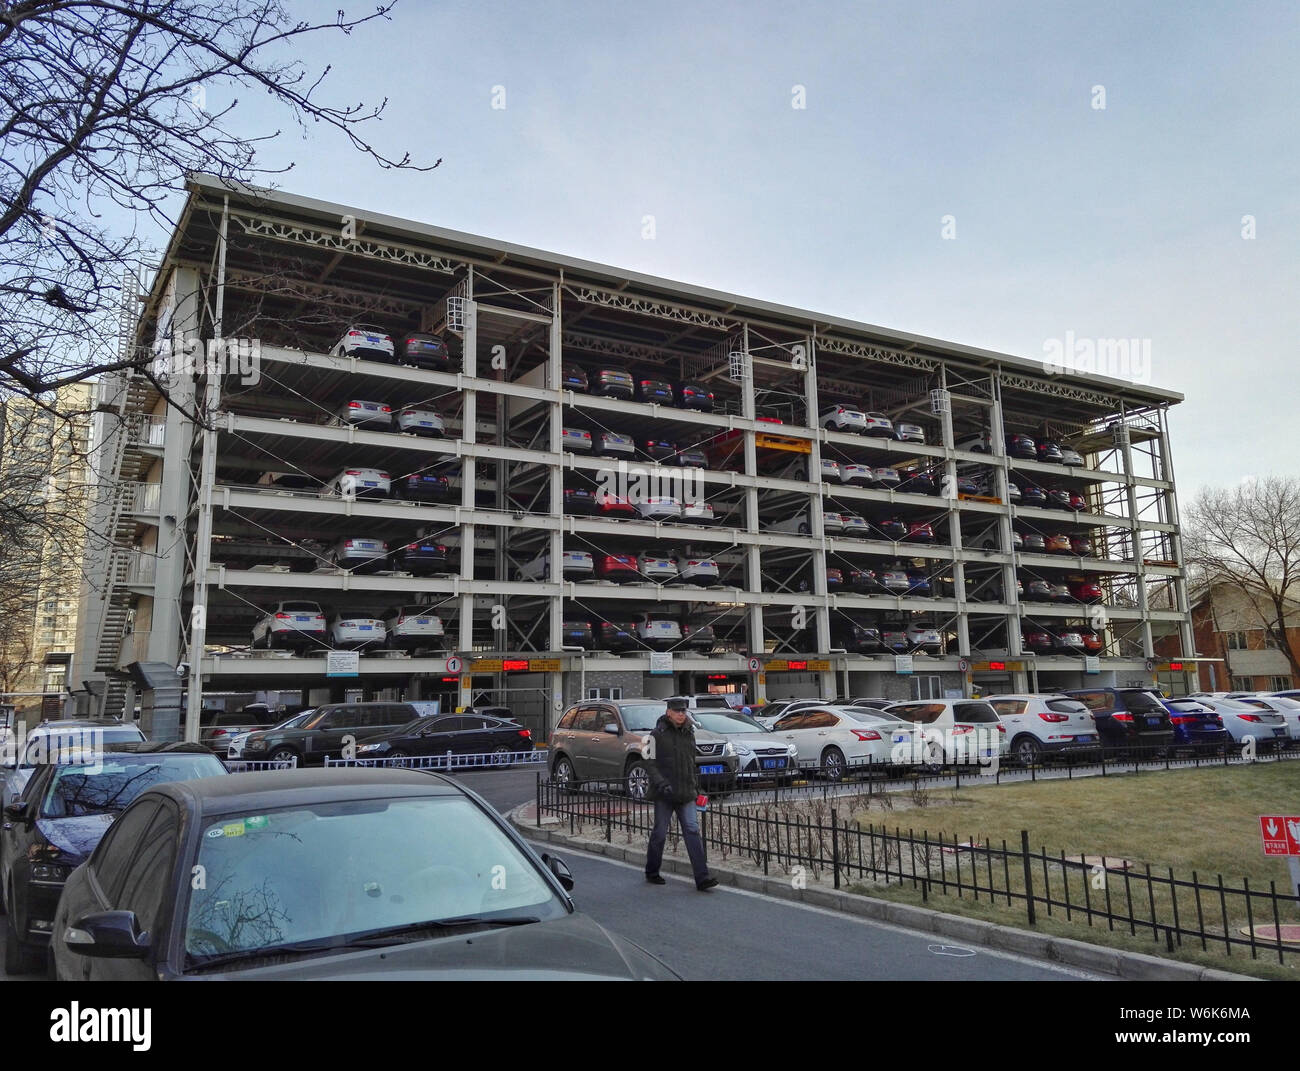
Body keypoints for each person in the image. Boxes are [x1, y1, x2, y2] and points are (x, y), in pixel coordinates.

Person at [644, 697, 718, 891]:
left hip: (686, 792)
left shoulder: (689, 733)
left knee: (692, 831)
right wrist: (661, 783)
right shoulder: (656, 734)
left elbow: (690, 763)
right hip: (664, 794)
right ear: (669, 712)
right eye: (677, 711)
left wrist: (696, 789)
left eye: (683, 711)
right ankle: (652, 871)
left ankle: (702, 878)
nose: (681, 714)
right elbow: (649, 763)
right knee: (660, 833)